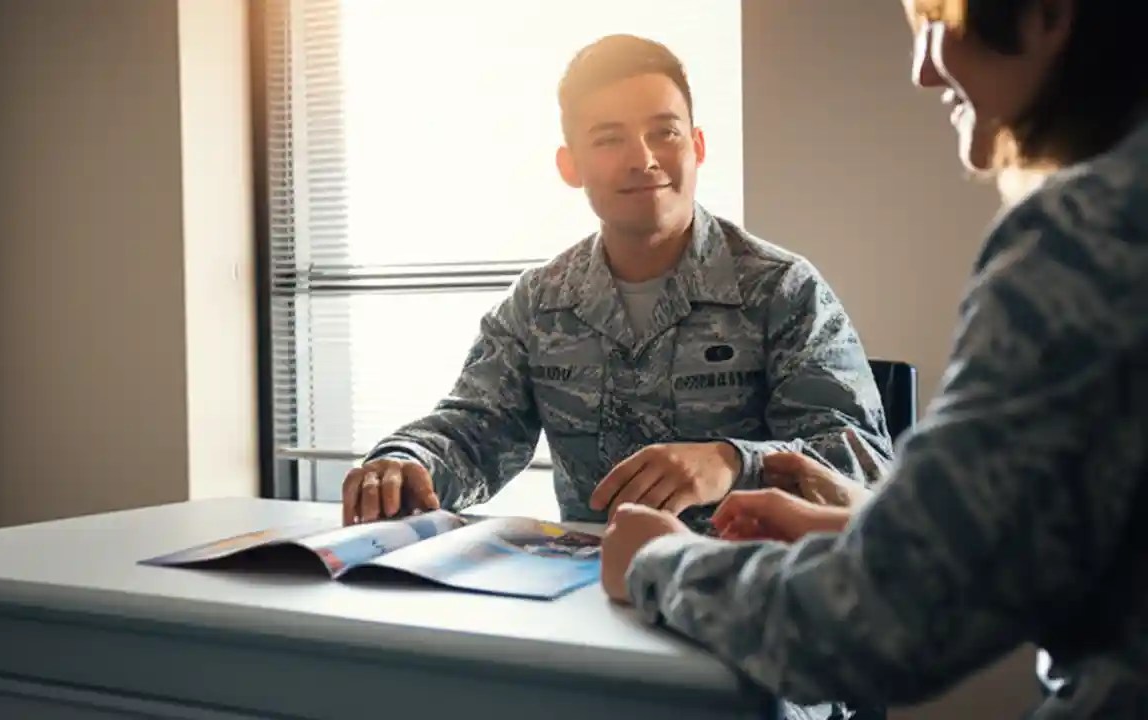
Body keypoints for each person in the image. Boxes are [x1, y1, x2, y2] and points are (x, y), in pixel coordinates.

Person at [601, 0, 1148, 716]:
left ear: (1048, 13)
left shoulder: (1087, 237)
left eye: (934, 20)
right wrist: (866, 526)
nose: (922, 70)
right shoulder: (537, 297)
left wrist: (660, 562)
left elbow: (886, 620)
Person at [340, 34, 893, 532]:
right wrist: (405, 460)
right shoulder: (540, 303)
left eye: (665, 133)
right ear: (570, 165)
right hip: (588, 597)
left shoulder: (782, 290)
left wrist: (731, 461)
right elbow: (476, 429)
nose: (644, 160)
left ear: (697, 147)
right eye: (609, 140)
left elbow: (862, 466)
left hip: (744, 590)